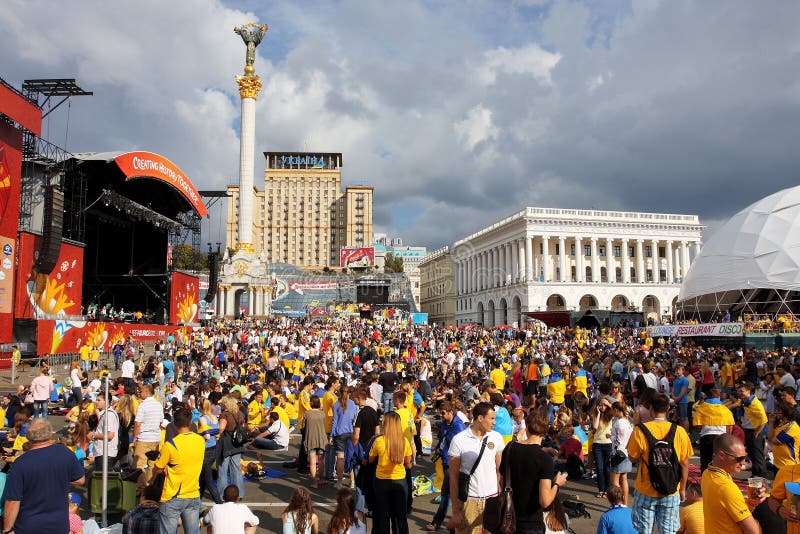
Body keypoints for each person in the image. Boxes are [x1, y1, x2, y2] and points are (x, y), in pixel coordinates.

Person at [2, 419, 85, 534]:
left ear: (28, 436)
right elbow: (80, 480)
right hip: (59, 525)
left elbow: (12, 501)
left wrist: (7, 529)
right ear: (50, 433)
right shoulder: (65, 453)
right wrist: (59, 478)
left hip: (28, 526)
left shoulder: (21, 463)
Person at [627, 393, 692, 534]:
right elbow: (684, 463)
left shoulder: (640, 431)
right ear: (668, 408)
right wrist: (682, 488)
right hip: (671, 488)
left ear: (650, 408)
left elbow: (632, 458)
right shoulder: (679, 431)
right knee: (668, 531)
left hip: (645, 488)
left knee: (643, 530)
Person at [501, 411, 568, 534]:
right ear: (545, 431)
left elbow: (501, 481)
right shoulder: (544, 459)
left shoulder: (509, 449)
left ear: (526, 426)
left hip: (507, 517)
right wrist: (557, 484)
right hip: (530, 523)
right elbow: (545, 501)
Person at [448, 402, 505, 534]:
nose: (494, 422)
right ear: (480, 418)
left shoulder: (496, 438)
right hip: (470, 501)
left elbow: (499, 470)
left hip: (492, 500)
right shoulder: (459, 440)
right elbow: (453, 476)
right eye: (491, 418)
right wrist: (456, 511)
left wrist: (501, 498)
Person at [154, 408, 205, 534]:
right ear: (190, 423)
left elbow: (158, 468)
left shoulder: (170, 445)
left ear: (174, 424)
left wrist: (166, 468)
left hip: (172, 495)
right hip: (193, 493)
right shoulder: (200, 441)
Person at [700, 433, 761, 534]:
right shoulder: (726, 487)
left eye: (745, 457)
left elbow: (726, 510)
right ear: (721, 455)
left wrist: (751, 502)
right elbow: (753, 531)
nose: (743, 463)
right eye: (739, 459)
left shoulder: (707, 473)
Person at [369, 411, 413, 534]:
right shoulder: (404, 441)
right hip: (400, 481)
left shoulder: (378, 441)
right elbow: (408, 464)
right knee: (400, 517)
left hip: (381, 482)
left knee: (382, 516)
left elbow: (371, 459)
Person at [427, 400, 467, 531]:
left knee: (446, 494)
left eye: (443, 413)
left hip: (453, 464)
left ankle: (437, 522)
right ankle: (459, 522)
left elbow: (461, 447)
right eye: (440, 413)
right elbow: (443, 439)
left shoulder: (458, 427)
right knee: (452, 495)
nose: (441, 415)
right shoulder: (445, 423)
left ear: (451, 412)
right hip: (446, 461)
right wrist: (438, 448)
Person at [693, 388, 735, 471]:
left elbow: (697, 425)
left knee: (705, 460)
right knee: (721, 460)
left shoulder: (701, 408)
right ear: (718, 396)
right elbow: (730, 425)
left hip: (706, 436)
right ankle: (720, 479)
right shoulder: (725, 409)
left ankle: (705, 479)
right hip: (721, 437)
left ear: (707, 397)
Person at [133, 383, 164, 490]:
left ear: (146, 392)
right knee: (152, 464)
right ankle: (150, 485)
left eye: (141, 391)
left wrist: (135, 436)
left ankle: (141, 487)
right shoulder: (159, 405)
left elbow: (137, 423)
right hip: (155, 437)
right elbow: (161, 421)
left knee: (139, 464)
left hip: (144, 437)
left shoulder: (142, 405)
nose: (139, 393)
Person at [735, 381, 768, 477]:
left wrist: (757, 433)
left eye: (742, 391)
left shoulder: (755, 403)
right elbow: (736, 404)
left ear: (749, 391)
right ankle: (755, 476)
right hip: (747, 430)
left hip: (754, 431)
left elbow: (764, 420)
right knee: (752, 455)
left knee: (757, 456)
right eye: (739, 391)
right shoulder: (744, 401)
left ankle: (761, 477)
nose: (740, 393)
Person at [217, 395, 247, 499]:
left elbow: (221, 428)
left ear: (226, 404)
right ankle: (239, 493)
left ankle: (221, 495)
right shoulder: (240, 414)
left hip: (225, 443)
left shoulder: (225, 415)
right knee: (236, 469)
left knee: (222, 469)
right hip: (237, 443)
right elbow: (243, 426)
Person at [197, 397, 223, 505]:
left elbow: (206, 436)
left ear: (200, 407)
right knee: (202, 478)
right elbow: (217, 432)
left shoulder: (202, 418)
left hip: (206, 449)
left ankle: (219, 503)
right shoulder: (214, 417)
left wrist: (198, 437)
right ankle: (198, 500)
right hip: (214, 448)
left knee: (208, 481)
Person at [330, 385, 358, 489]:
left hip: (340, 433)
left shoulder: (336, 405)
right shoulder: (353, 404)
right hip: (351, 432)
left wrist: (331, 435)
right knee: (350, 457)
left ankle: (340, 482)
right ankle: (352, 480)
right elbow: (354, 419)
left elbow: (334, 422)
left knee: (340, 458)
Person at [610, 402, 633, 506]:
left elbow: (618, 440)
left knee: (615, 482)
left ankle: (617, 503)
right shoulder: (627, 422)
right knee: (624, 479)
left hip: (618, 453)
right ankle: (625, 503)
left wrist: (611, 437)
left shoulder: (618, 422)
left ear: (616, 410)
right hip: (627, 452)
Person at [304, 395, 329, 489]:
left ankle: (315, 482)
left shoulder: (307, 413)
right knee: (321, 461)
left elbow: (303, 426)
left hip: (311, 439)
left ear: (311, 403)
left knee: (313, 463)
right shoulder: (322, 414)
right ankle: (321, 479)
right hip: (322, 439)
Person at [592, 398, 614, 498]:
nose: (602, 407)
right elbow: (595, 427)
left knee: (607, 468)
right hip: (597, 444)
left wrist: (608, 404)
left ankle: (607, 490)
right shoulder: (595, 414)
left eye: (604, 405)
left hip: (608, 444)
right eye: (600, 405)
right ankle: (601, 490)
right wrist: (599, 413)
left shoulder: (612, 415)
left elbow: (615, 409)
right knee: (599, 468)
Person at [91, 391, 119, 471]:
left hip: (105, 453)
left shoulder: (109, 415)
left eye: (99, 400)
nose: (96, 402)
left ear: (106, 401)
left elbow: (110, 435)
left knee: (102, 480)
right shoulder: (105, 414)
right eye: (96, 400)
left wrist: (93, 435)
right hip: (102, 452)